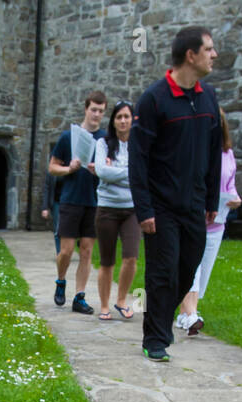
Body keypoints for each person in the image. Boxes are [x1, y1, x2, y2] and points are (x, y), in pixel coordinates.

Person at [128, 27, 222, 362]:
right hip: (161, 206)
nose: (214, 55)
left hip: (195, 205)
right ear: (190, 55)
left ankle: (161, 322)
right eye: (209, 49)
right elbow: (138, 158)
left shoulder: (208, 97)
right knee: (162, 271)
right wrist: (144, 209)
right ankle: (155, 338)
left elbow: (214, 154)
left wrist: (212, 200)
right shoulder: (154, 99)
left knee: (188, 266)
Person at [176, 111, 241, 334]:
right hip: (194, 219)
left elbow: (229, 184)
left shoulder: (227, 153)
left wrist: (235, 198)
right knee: (191, 268)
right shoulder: (194, 151)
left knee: (203, 274)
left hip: (218, 221)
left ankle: (186, 315)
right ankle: (191, 315)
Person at [48, 91, 106, 314]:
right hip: (71, 199)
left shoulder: (104, 139)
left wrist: (99, 169)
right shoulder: (68, 137)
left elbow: (110, 167)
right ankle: (61, 280)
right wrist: (68, 168)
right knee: (66, 250)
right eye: (93, 109)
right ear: (86, 109)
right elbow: (52, 167)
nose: (96, 114)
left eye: (101, 111)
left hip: (94, 201)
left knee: (87, 250)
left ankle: (79, 297)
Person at [93, 100, 140, 322]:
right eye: (119, 117)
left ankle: (121, 300)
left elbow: (142, 174)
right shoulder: (103, 143)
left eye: (126, 117)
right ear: (113, 121)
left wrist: (117, 172)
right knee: (107, 261)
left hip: (132, 209)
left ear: (132, 119)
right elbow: (102, 171)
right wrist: (129, 173)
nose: (123, 121)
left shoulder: (139, 144)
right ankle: (104, 305)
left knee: (131, 257)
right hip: (107, 208)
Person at [40, 153, 64, 254]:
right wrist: (45, 207)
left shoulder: (71, 169)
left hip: (69, 203)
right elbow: (47, 189)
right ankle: (60, 253)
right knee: (57, 229)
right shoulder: (51, 172)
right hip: (56, 203)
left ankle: (66, 250)